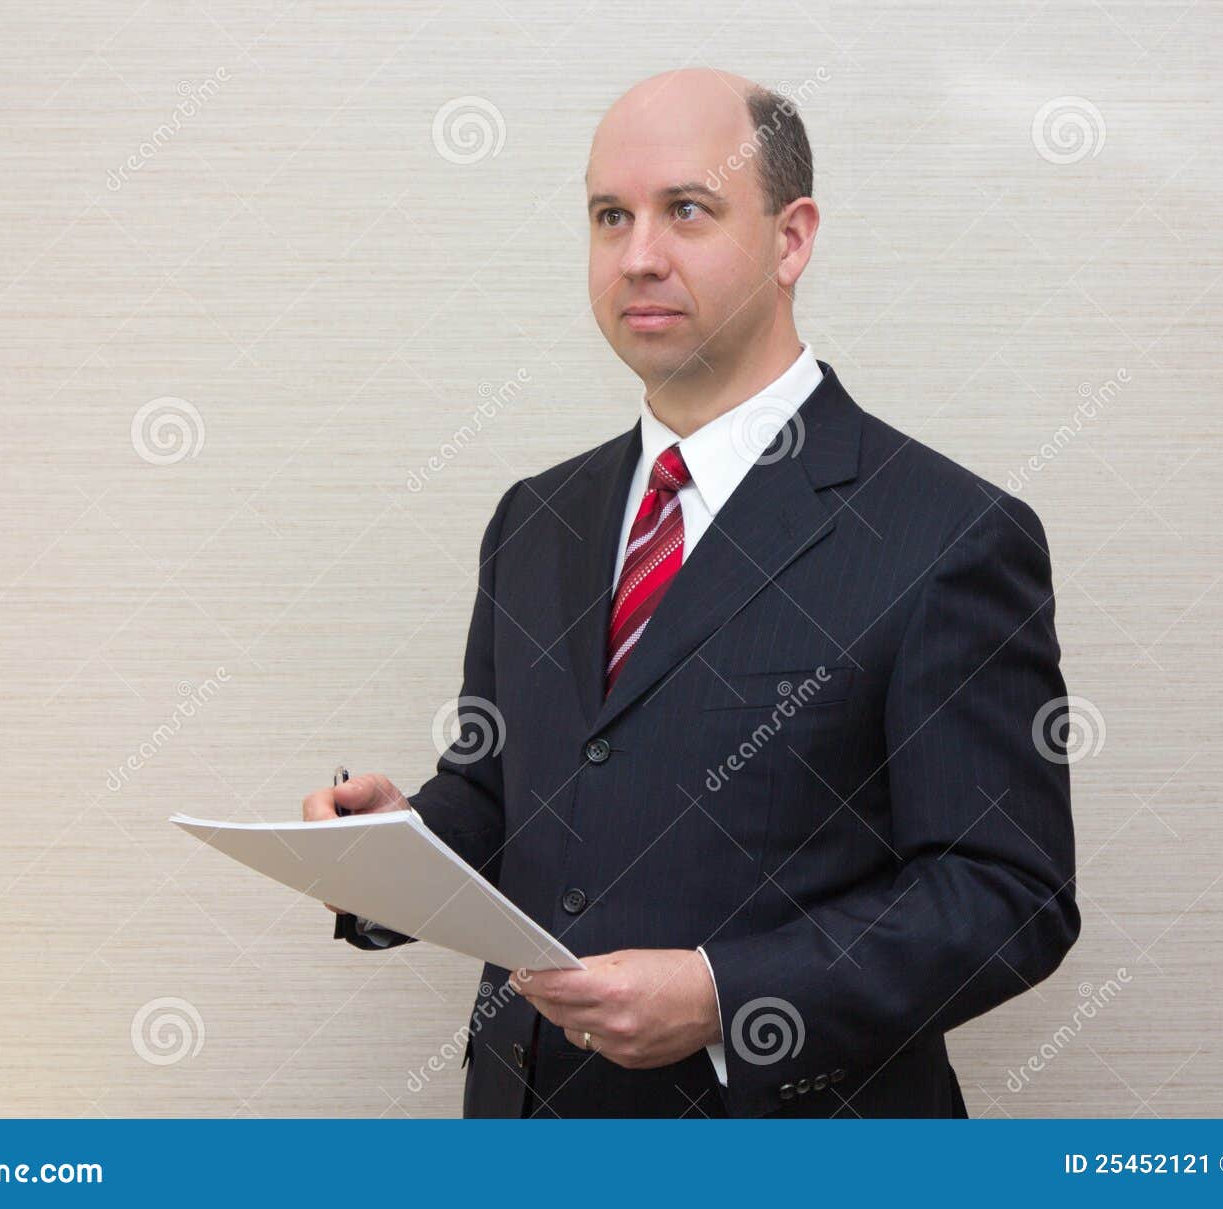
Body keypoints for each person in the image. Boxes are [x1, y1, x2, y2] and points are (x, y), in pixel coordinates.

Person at [302, 66, 1079, 1118]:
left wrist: (728, 998)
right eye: (608, 216)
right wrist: (393, 847)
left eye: (687, 211)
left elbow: (1004, 896)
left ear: (790, 239)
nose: (638, 257)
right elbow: (506, 796)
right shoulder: (538, 518)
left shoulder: (945, 533)